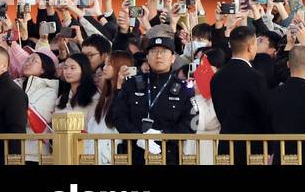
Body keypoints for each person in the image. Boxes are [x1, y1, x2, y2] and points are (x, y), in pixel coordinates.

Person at [109, 35, 195, 164]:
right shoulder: (132, 84)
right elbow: (118, 114)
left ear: (173, 58)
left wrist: (164, 135)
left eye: (164, 52)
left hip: (168, 154)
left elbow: (191, 123)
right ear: (147, 57)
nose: (158, 56)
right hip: (134, 153)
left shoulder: (185, 89)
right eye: (154, 52)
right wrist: (137, 137)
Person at [210, 25, 273, 163]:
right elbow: (264, 112)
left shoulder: (217, 77)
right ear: (250, 47)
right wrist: (270, 146)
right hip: (253, 147)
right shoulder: (255, 77)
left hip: (226, 144)